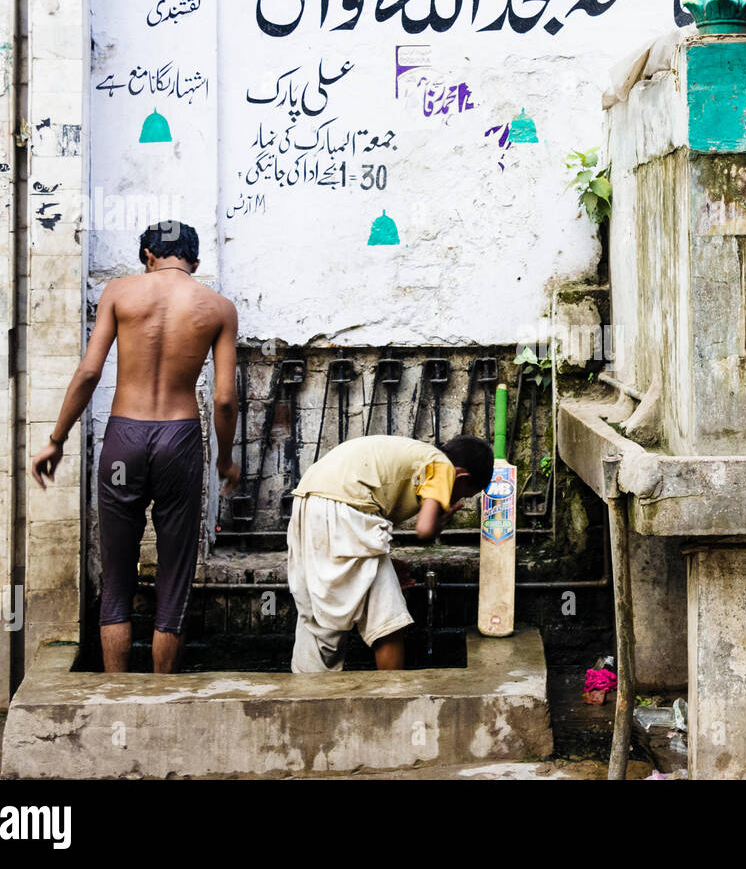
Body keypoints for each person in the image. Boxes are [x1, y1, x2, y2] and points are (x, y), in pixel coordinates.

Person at [31, 221, 241, 674]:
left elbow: (89, 373)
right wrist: (225, 460)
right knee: (175, 573)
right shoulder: (219, 307)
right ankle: (160, 699)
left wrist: (56, 440)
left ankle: (114, 699)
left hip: (124, 438)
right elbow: (224, 398)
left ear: (147, 255)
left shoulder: (120, 293)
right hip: (180, 440)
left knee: (118, 578)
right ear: (195, 262)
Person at [287, 434, 493, 672]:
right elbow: (424, 529)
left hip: (307, 501)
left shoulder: (418, 457)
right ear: (462, 476)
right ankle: (394, 698)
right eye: (462, 494)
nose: (454, 500)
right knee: (388, 619)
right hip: (344, 510)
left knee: (318, 617)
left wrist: (386, 561)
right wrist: (438, 523)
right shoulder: (442, 466)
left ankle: (306, 691)